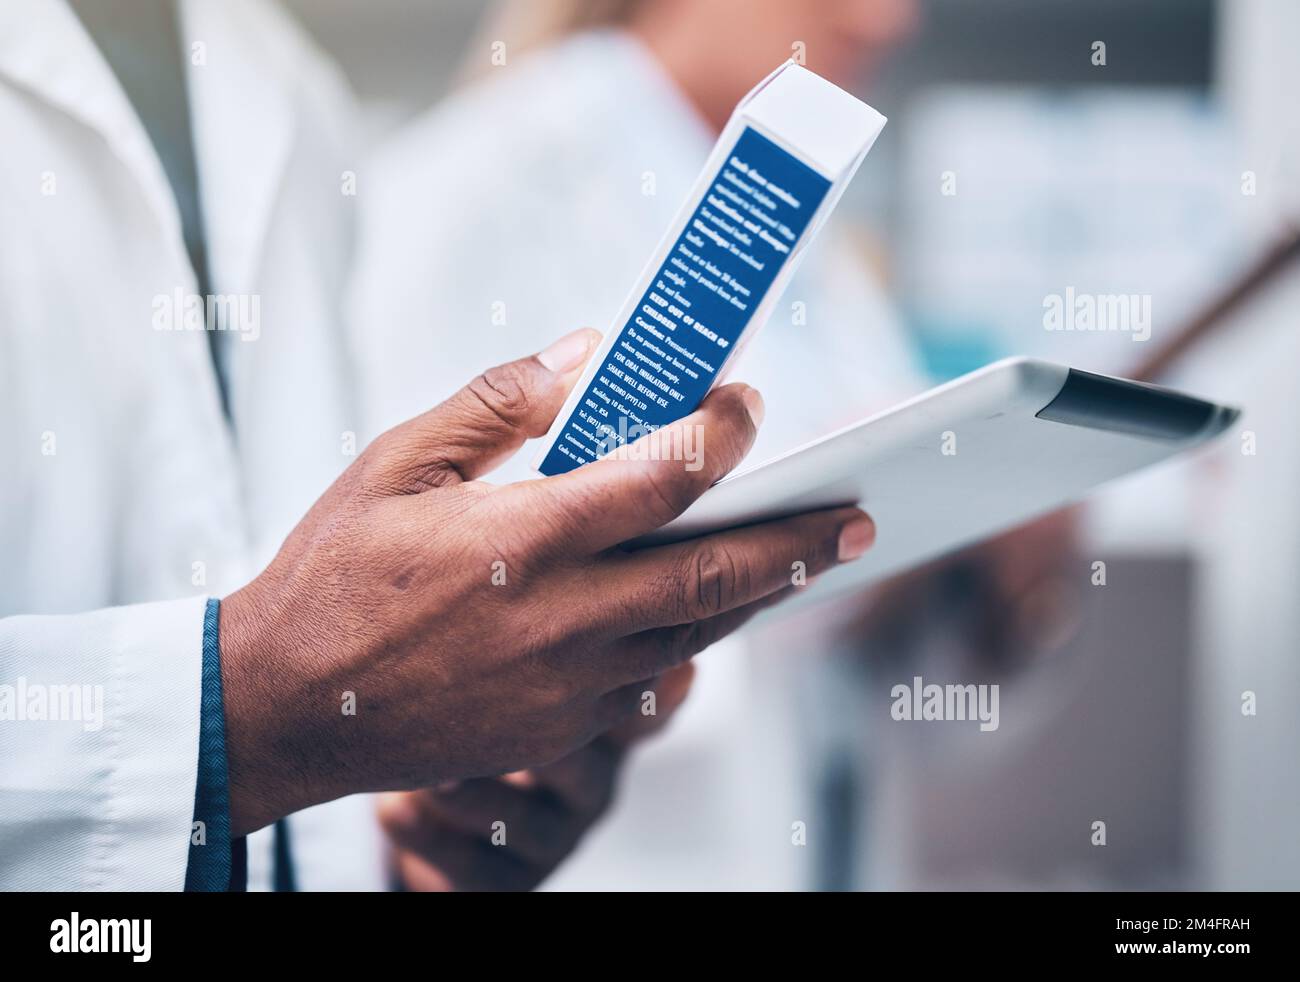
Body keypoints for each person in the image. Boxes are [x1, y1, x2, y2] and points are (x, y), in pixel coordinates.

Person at [0, 0, 876, 891]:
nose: (889, 21)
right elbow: (307, 659)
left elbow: (346, 611)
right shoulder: (474, 167)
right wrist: (250, 719)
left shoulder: (283, 91)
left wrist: (430, 822)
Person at [351, 0, 924, 888]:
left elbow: (873, 679)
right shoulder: (484, 179)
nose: (883, 20)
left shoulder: (815, 235)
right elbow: (394, 613)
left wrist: (964, 561)